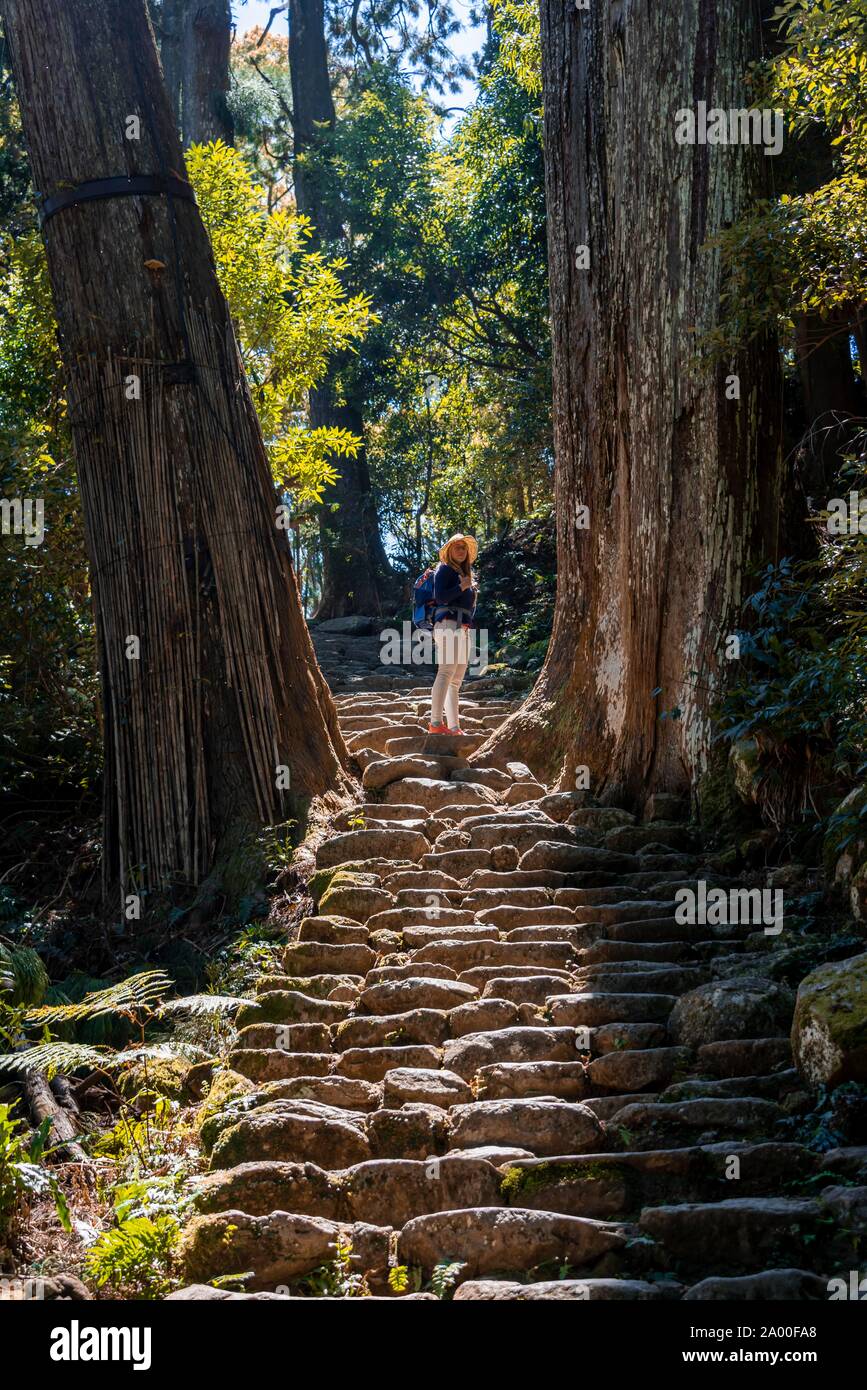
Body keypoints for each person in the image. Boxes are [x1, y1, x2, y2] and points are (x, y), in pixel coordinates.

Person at [429, 533, 478, 735]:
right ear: (449, 550)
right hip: (448, 624)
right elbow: (440, 596)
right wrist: (461, 586)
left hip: (462, 628)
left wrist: (468, 587)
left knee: (456, 680)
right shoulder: (444, 570)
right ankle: (435, 723)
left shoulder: (464, 574)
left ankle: (454, 727)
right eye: (457, 547)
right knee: (446, 671)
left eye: (463, 548)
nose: (461, 550)